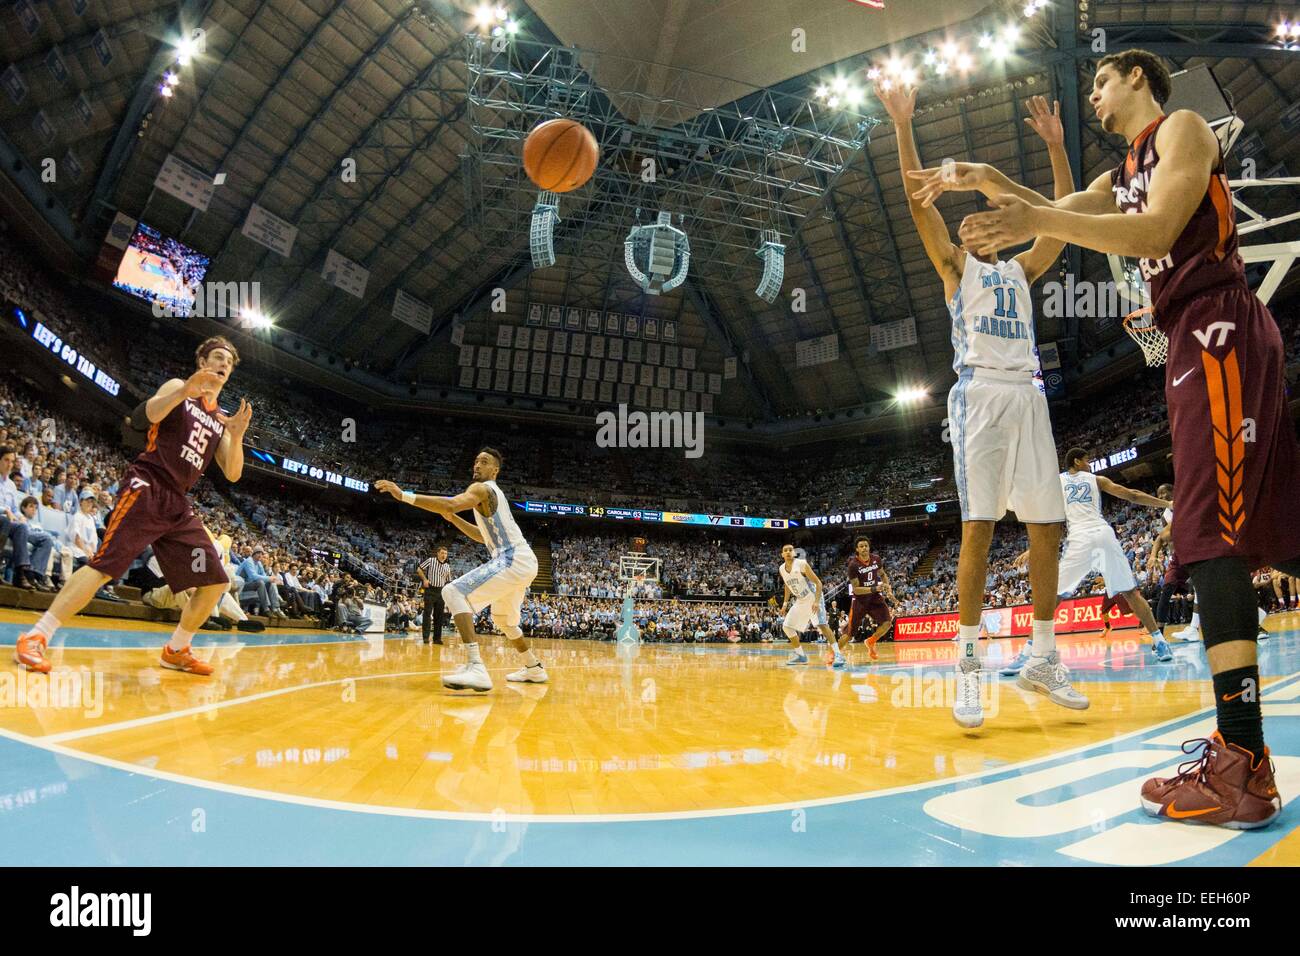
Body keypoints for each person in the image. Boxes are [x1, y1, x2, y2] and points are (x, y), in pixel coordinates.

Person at [912, 49, 1297, 828]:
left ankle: (1242, 764)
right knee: (1282, 535)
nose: (1091, 94)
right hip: (1191, 336)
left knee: (1209, 538)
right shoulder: (1120, 171)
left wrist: (1037, 219)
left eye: (1100, 82)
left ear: (1136, 80)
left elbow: (1152, 226)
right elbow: (1043, 201)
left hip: (1217, 325)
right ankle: (1239, 759)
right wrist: (973, 171)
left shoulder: (1182, 130)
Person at [878, 82, 1089, 728]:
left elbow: (1061, 215)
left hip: (1028, 395)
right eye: (964, 223)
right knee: (978, 527)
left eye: (980, 219)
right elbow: (919, 200)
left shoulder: (1021, 272)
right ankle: (967, 668)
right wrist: (903, 125)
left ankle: (1043, 656)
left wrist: (1056, 148)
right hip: (979, 396)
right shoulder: (954, 270)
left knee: (1047, 529)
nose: (972, 225)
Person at [14, 337, 253, 677]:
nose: (223, 364)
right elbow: (149, 415)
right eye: (217, 357)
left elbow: (232, 473)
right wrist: (185, 390)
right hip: (147, 484)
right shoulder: (179, 388)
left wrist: (238, 435)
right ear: (202, 360)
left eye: (228, 362)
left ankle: (176, 648)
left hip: (177, 503)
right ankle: (37, 635)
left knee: (215, 580)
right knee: (105, 566)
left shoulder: (222, 419)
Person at [375, 447, 545, 692]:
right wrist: (453, 519)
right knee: (504, 620)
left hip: (513, 559)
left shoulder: (480, 489)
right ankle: (534, 667)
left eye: (483, 462)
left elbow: (453, 503)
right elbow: (481, 536)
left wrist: (404, 495)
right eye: (476, 461)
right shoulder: (491, 497)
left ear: (494, 470)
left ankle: (476, 667)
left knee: (453, 592)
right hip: (522, 561)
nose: (477, 465)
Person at [1003, 447, 1174, 671]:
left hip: (1080, 539)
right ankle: (1160, 643)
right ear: (1076, 461)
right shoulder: (1097, 479)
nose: (1090, 464)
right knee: (1131, 593)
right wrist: (1166, 504)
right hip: (1103, 535)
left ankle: (1028, 654)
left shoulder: (1056, 483)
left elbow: (1048, 520)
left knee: (1051, 599)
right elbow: (1131, 495)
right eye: (1087, 460)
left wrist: (1034, 548)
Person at [839, 535, 897, 666]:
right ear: (857, 549)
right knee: (849, 633)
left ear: (869, 547)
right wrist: (875, 588)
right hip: (860, 600)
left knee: (887, 623)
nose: (864, 548)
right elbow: (856, 589)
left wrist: (888, 588)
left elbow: (882, 574)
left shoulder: (876, 559)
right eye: (861, 546)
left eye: (866, 545)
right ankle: (834, 653)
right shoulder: (853, 565)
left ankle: (871, 641)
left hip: (875, 598)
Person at [777, 545, 836, 666]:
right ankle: (801, 656)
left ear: (794, 553)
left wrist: (816, 601)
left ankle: (838, 655)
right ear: (782, 554)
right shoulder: (781, 568)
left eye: (790, 550)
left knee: (822, 625)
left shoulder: (801, 564)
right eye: (785, 550)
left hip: (813, 597)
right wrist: (784, 605)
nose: (788, 552)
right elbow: (787, 586)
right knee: (787, 626)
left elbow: (818, 583)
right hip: (800, 600)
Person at [418, 546, 452, 644]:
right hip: (430, 589)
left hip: (441, 592)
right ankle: (425, 637)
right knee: (427, 614)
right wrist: (424, 579)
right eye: (442, 553)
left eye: (445, 554)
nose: (444, 555)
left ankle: (437, 638)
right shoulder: (431, 560)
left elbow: (448, 581)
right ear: (437, 553)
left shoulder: (447, 566)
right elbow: (419, 569)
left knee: (439, 616)